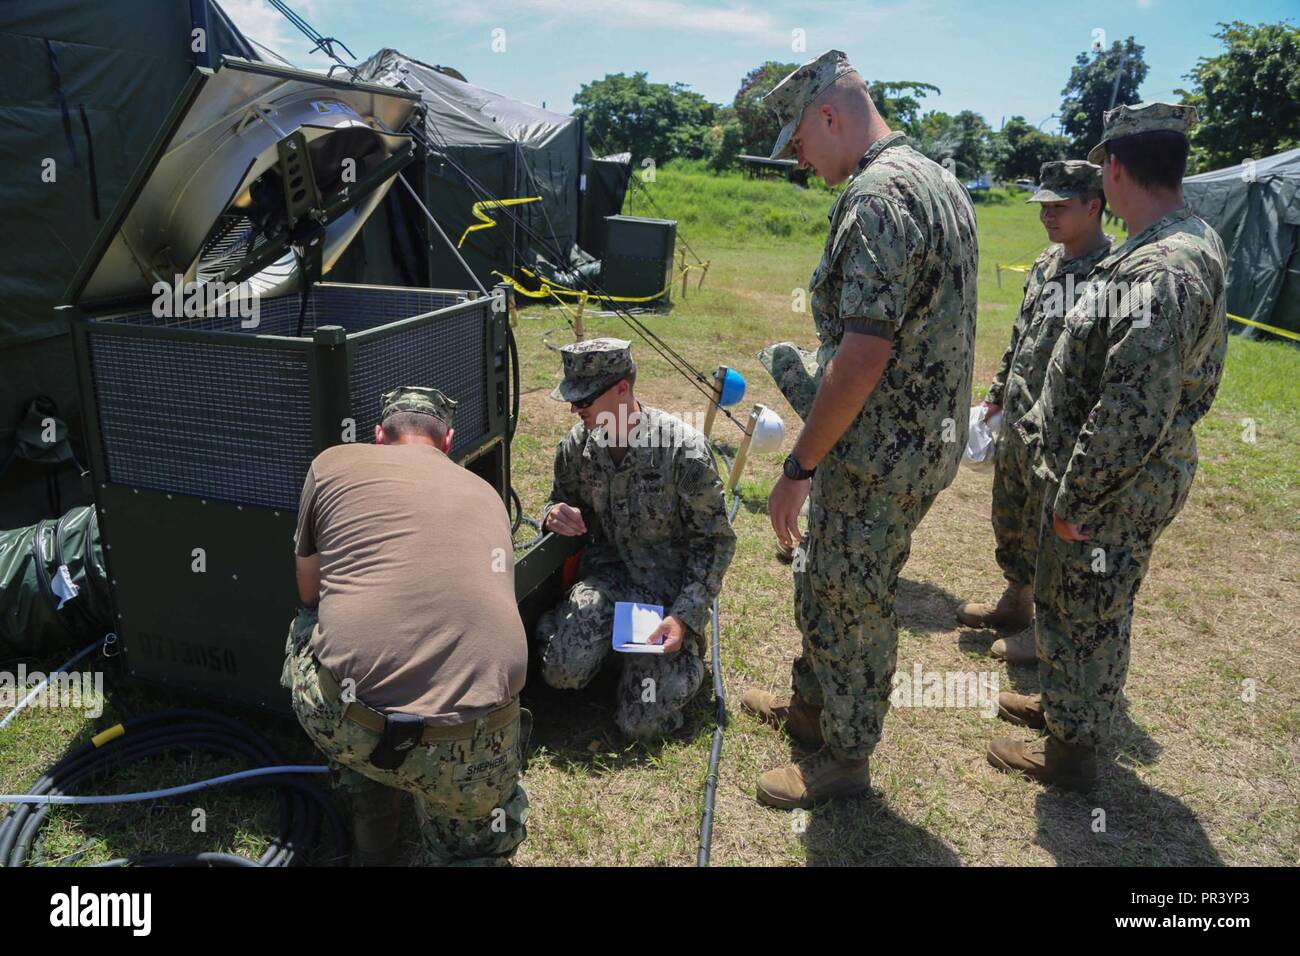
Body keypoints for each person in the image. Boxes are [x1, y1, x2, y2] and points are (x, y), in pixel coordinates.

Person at [742, 50, 978, 809]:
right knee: (831, 577)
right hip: (913, 443)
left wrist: (799, 465)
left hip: (880, 451)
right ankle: (813, 710)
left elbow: (865, 353)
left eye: (800, 142)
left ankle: (844, 756)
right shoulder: (938, 179)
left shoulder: (878, 196)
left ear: (830, 116)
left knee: (853, 594)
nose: (800, 159)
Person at [989, 103, 1227, 790]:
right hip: (1114, 480)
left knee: (1088, 611)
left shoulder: (1162, 266)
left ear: (1114, 169)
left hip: (1112, 489)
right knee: (1075, 605)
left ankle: (1070, 755)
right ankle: (1066, 709)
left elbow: (1132, 406)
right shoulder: (1171, 242)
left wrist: (1080, 496)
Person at [284, 386, 530, 864]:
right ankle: (457, 839)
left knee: (309, 624)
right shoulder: (486, 494)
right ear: (448, 443)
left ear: (379, 435)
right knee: (473, 837)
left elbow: (307, 590)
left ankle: (369, 801)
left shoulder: (331, 463)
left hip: (351, 725)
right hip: (478, 747)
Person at [536, 338, 735, 740]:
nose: (576, 410)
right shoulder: (576, 448)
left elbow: (713, 544)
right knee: (561, 672)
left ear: (622, 390)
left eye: (585, 399)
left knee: (639, 723)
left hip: (665, 597)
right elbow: (561, 502)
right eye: (572, 401)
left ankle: (683, 662)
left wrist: (684, 617)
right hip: (607, 581)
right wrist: (553, 515)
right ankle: (603, 650)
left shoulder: (683, 451)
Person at [957, 160, 1113, 664]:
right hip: (1022, 413)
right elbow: (1022, 337)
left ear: (1094, 205)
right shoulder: (1047, 263)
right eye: (1043, 206)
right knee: (1012, 512)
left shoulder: (1114, 275)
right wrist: (999, 392)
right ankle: (1016, 599)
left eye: (1059, 207)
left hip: (1064, 424)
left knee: (1052, 529)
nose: (1047, 215)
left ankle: (1044, 629)